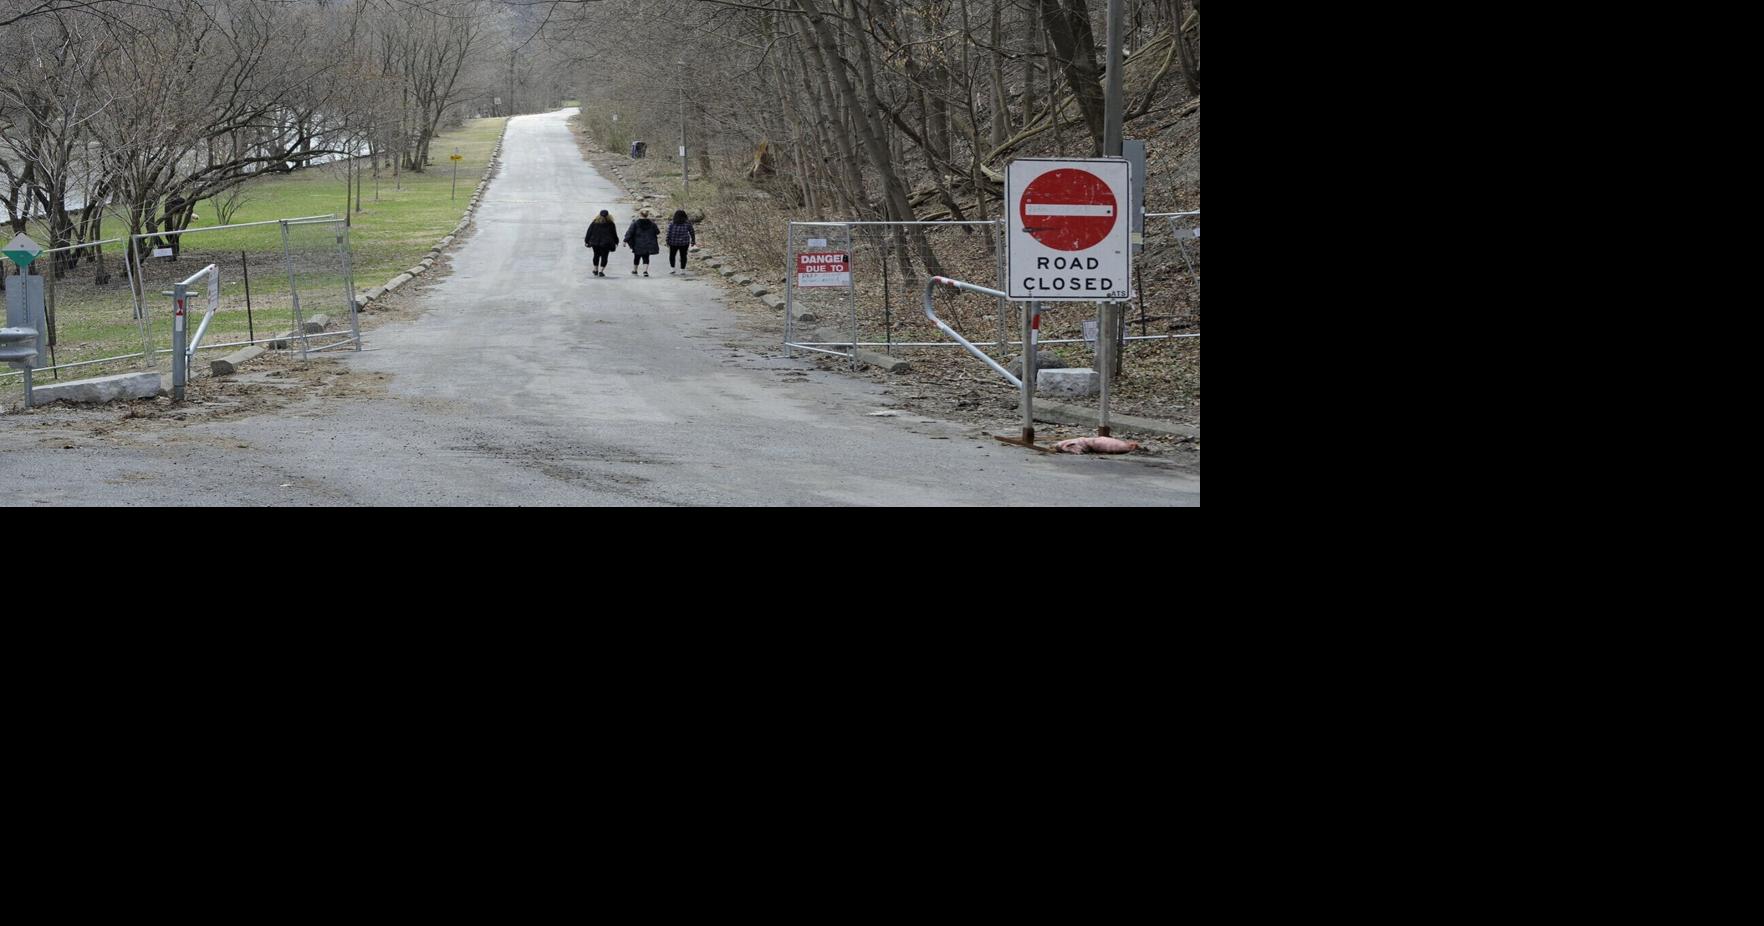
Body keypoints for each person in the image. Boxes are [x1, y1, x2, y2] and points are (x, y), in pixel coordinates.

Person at [624, 208, 660, 276]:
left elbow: (630, 232)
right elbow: (657, 232)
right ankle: (645, 271)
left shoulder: (635, 223)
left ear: (640, 214)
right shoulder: (652, 224)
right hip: (648, 243)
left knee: (637, 257)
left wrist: (625, 240)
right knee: (646, 257)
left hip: (638, 243)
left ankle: (635, 270)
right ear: (647, 215)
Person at [584, 209, 619, 277]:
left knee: (596, 255)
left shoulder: (594, 222)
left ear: (599, 215)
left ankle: (595, 269)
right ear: (608, 216)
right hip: (606, 243)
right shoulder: (611, 223)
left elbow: (589, 232)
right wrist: (616, 241)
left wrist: (586, 241)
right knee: (604, 257)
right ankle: (601, 271)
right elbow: (614, 234)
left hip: (595, 242)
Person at [666, 209, 697, 274]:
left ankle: (672, 269)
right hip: (684, 242)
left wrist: (667, 240)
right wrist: (693, 240)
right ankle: (682, 270)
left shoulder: (672, 223)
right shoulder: (687, 223)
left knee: (672, 255)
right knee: (683, 256)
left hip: (673, 242)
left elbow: (669, 232)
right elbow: (692, 232)